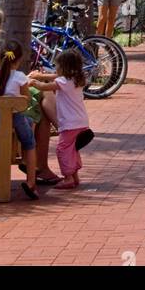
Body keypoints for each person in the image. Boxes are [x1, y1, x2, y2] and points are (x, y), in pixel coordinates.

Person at [31, 47, 93, 189]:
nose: (55, 68)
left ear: (64, 67)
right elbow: (54, 77)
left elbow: (45, 87)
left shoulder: (63, 82)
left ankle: (68, 177)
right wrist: (40, 75)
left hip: (69, 124)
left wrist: (33, 82)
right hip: (81, 121)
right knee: (72, 149)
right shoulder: (76, 79)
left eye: (57, 66)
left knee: (62, 149)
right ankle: (75, 176)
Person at [0, 41, 42, 200]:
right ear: (19, 59)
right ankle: (31, 182)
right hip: (15, 117)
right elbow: (25, 101)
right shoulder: (20, 77)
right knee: (30, 143)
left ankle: (23, 161)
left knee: (28, 123)